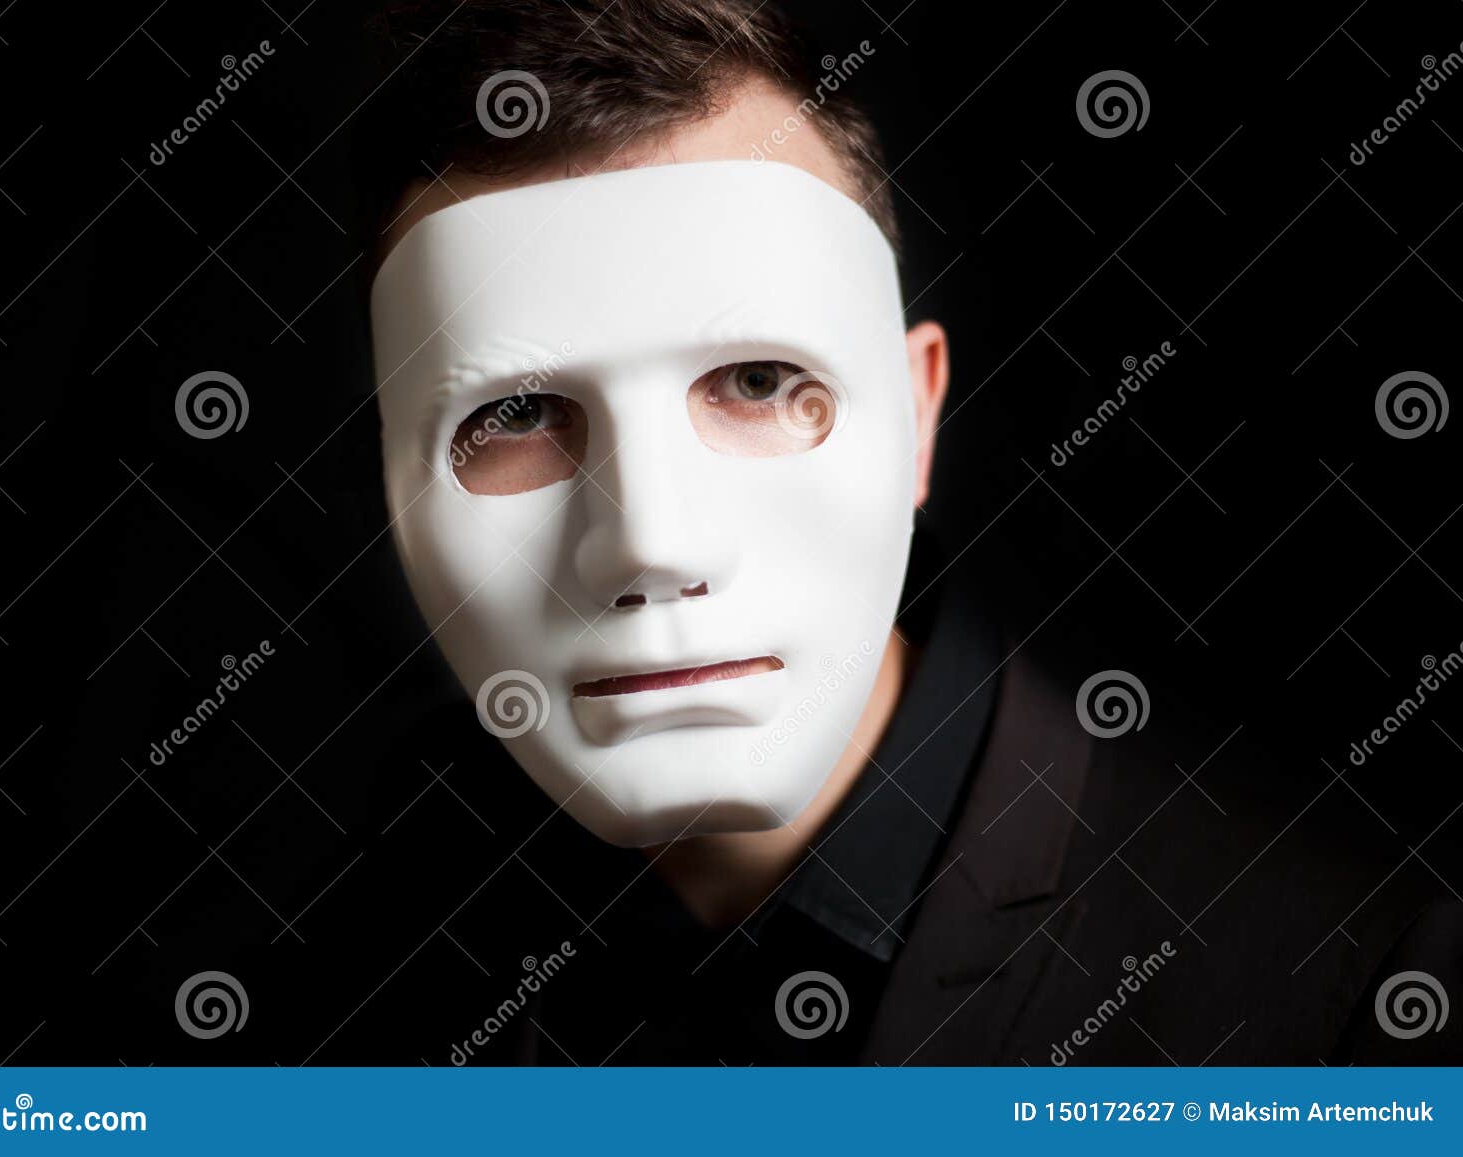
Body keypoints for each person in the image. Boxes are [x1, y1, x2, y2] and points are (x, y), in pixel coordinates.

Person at [341, 0, 1463, 1064]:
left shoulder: (1336, 987)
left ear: (917, 414)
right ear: (392, 479)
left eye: (757, 379)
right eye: (519, 415)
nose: (651, 545)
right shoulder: (353, 916)